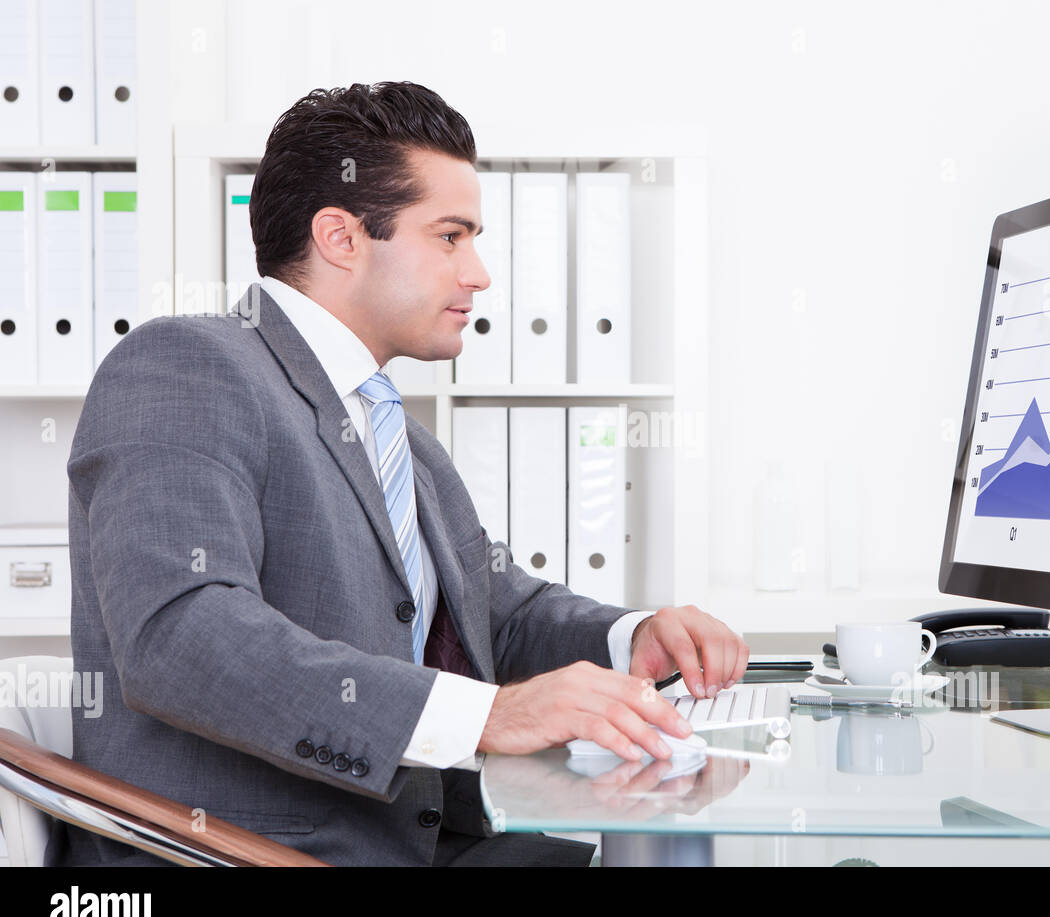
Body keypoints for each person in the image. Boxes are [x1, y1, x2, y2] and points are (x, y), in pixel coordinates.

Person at [44, 81, 748, 867]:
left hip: (411, 842)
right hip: (254, 854)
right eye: (451, 237)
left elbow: (500, 614)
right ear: (342, 237)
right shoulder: (188, 366)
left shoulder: (394, 431)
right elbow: (181, 635)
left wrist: (634, 637)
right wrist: (483, 716)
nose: (478, 274)